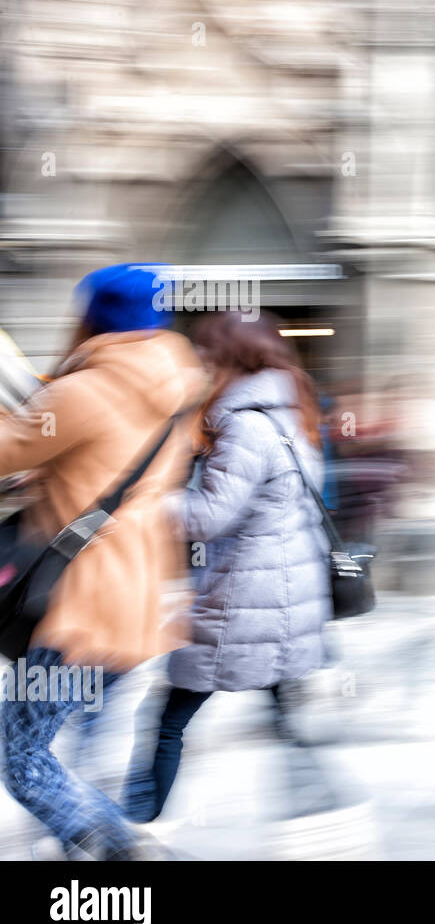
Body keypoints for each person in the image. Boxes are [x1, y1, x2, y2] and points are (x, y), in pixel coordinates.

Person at [0, 262, 204, 859]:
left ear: (91, 316)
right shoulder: (177, 384)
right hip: (139, 606)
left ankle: (124, 855)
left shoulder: (86, 391)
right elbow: (103, 465)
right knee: (55, 745)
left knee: (24, 760)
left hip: (78, 611)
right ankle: (110, 851)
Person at [122, 309, 337, 824]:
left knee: (169, 719)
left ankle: (133, 827)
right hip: (291, 596)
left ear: (230, 359)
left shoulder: (245, 425)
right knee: (285, 717)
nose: (201, 365)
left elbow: (209, 517)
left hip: (243, 602)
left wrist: (148, 502)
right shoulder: (294, 414)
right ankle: (319, 813)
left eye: (208, 355)